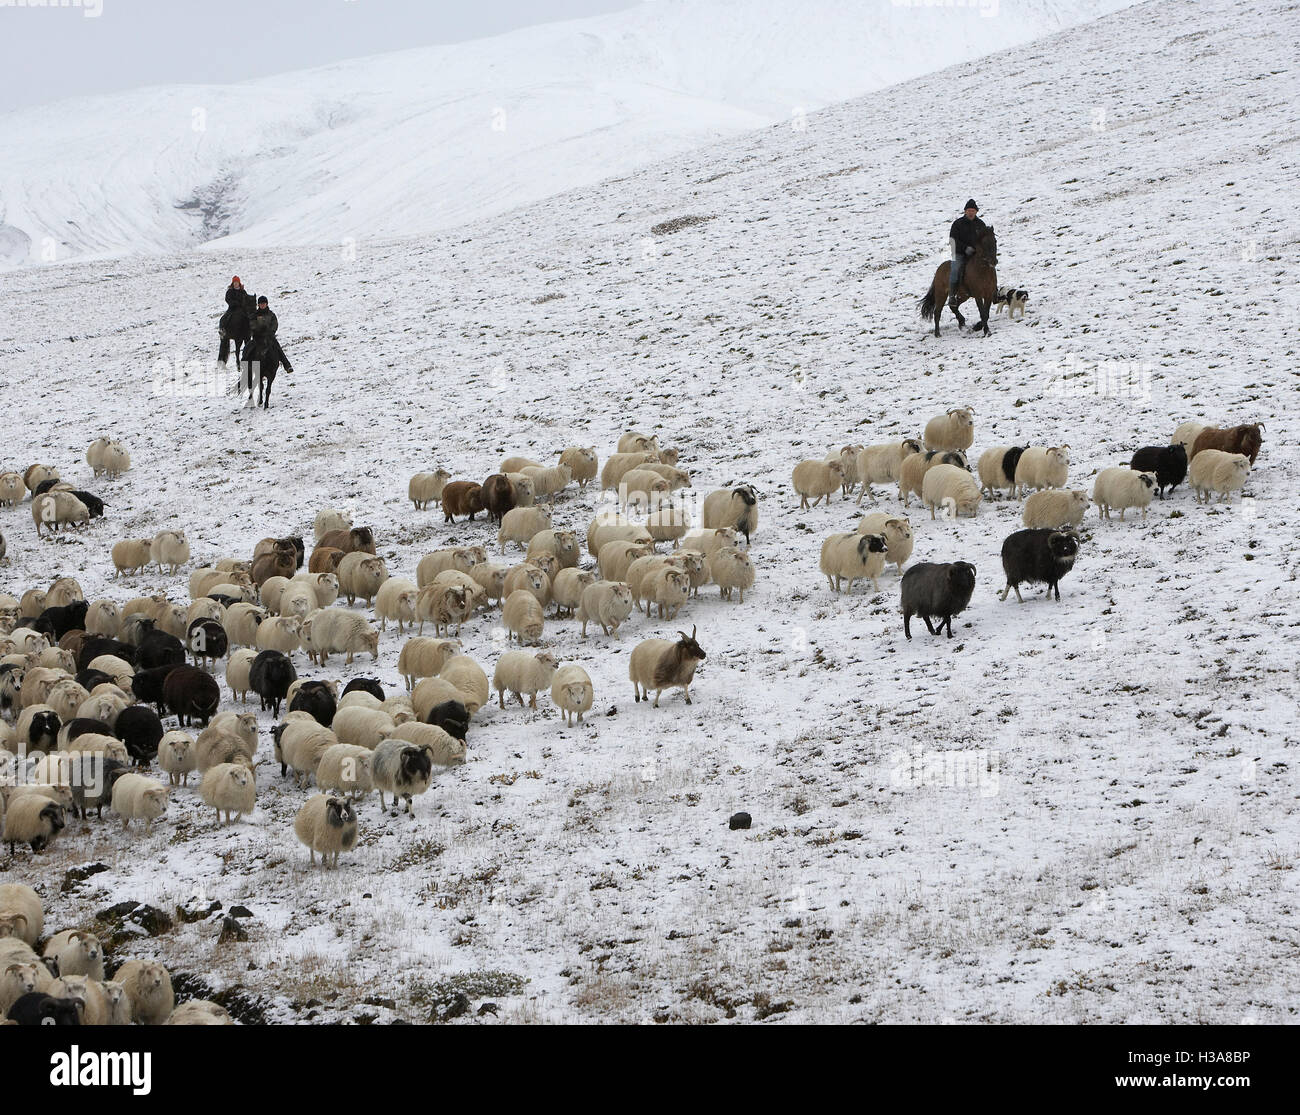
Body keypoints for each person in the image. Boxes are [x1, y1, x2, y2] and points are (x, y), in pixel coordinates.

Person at [948, 200, 988, 310]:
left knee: (989, 266)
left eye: (973, 211)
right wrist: (965, 248)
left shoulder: (980, 224)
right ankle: (952, 296)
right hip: (960, 253)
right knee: (955, 269)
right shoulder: (957, 224)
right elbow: (952, 240)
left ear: (976, 212)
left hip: (976, 254)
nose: (971, 213)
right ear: (965, 211)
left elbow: (984, 240)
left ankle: (993, 291)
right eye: (969, 210)